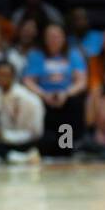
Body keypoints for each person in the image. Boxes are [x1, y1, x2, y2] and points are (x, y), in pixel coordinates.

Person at [22, 22, 87, 156]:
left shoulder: (73, 54)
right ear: (45, 39)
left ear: (64, 38)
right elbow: (28, 80)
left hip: (66, 97)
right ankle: (45, 149)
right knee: (35, 105)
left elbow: (82, 81)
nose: (54, 40)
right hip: (44, 96)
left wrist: (66, 93)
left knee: (74, 105)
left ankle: (67, 148)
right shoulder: (36, 55)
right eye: (51, 36)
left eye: (57, 36)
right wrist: (43, 94)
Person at [0, 61, 44, 165]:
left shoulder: (29, 99)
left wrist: (8, 135)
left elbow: (36, 131)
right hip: (2, 141)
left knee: (41, 143)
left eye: (5, 75)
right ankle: (17, 158)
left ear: (13, 76)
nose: (2, 78)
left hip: (26, 141)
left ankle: (9, 156)